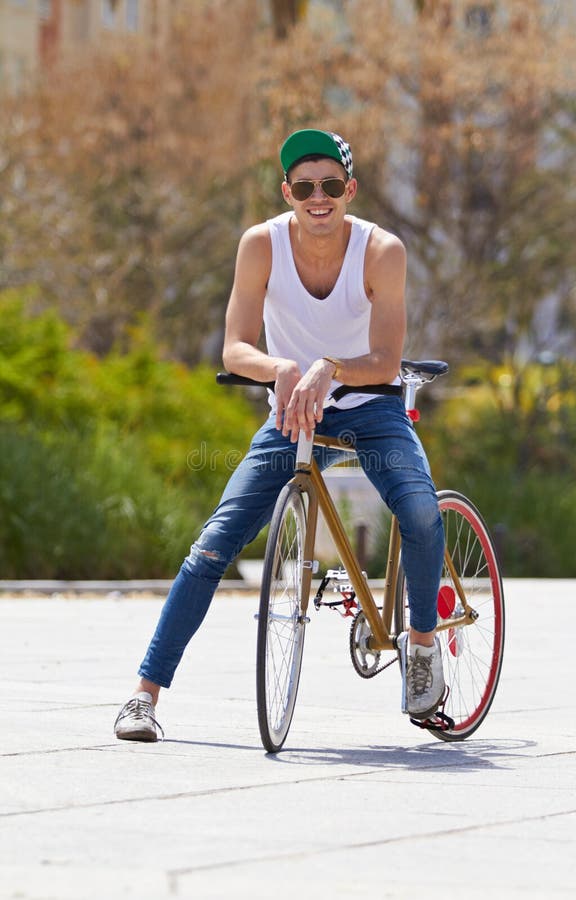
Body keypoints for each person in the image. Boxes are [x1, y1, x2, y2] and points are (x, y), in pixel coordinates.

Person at [114, 129, 445, 742]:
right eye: (302, 186)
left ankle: (422, 647)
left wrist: (331, 367)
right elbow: (235, 347)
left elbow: (387, 356)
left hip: (370, 405)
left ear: (350, 189)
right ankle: (143, 695)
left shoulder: (383, 251)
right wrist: (282, 368)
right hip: (292, 410)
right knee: (212, 546)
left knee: (421, 512)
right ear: (286, 191)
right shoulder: (260, 245)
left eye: (328, 186)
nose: (316, 197)